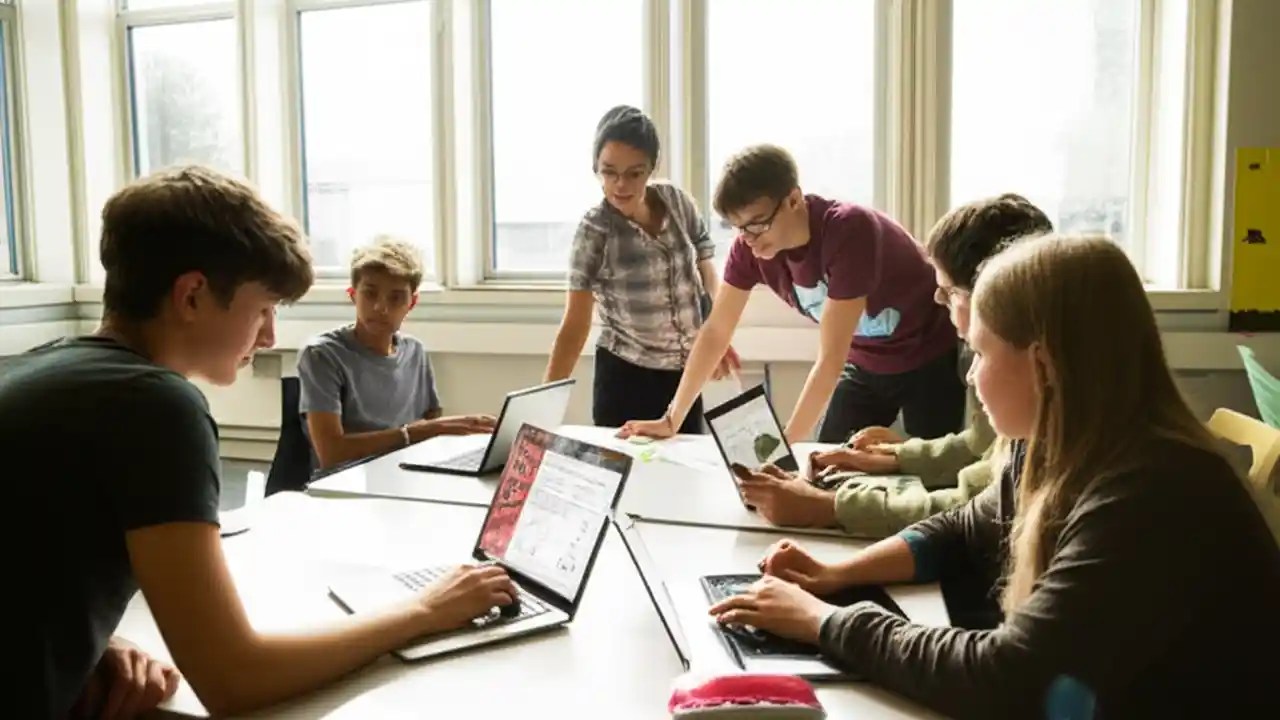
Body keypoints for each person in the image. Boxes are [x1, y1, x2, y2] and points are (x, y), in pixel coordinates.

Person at [4, 166, 518, 718]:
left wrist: (97, 641)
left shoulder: (41, 372)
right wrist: (424, 609)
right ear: (193, 295)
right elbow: (233, 679)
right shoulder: (155, 406)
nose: (270, 336)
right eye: (263, 309)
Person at [708, 235, 1280, 717]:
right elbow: (964, 527)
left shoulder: (1151, 493)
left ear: (1044, 364)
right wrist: (834, 575)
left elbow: (1011, 678)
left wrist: (826, 623)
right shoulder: (1060, 443)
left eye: (979, 353)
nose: (971, 377)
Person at [735, 194, 1054, 537]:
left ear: (993, 293)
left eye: (948, 291)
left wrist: (829, 507)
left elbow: (970, 508)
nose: (936, 299)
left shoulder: (1024, 380)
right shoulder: (1014, 355)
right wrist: (894, 458)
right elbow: (979, 447)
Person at [619, 144, 961, 445]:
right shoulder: (749, 248)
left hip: (928, 355)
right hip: (866, 363)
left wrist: (784, 445)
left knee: (932, 478)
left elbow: (830, 358)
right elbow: (716, 332)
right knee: (824, 462)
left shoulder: (849, 230)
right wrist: (671, 419)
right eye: (738, 227)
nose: (749, 237)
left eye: (758, 223)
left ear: (794, 200)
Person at [544, 105, 739, 433]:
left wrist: (715, 334)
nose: (620, 184)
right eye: (609, 172)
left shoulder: (677, 202)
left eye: (634, 173)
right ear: (596, 168)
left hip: (683, 378)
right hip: (625, 379)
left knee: (686, 474)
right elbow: (575, 324)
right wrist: (544, 408)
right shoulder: (594, 231)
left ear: (651, 168)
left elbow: (705, 264)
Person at [298, 236, 494, 471]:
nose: (381, 307)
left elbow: (430, 429)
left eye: (396, 297)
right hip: (349, 481)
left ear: (412, 302)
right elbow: (331, 453)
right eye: (370, 294)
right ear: (353, 295)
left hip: (405, 473)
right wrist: (414, 433)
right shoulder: (323, 355)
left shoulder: (415, 352)